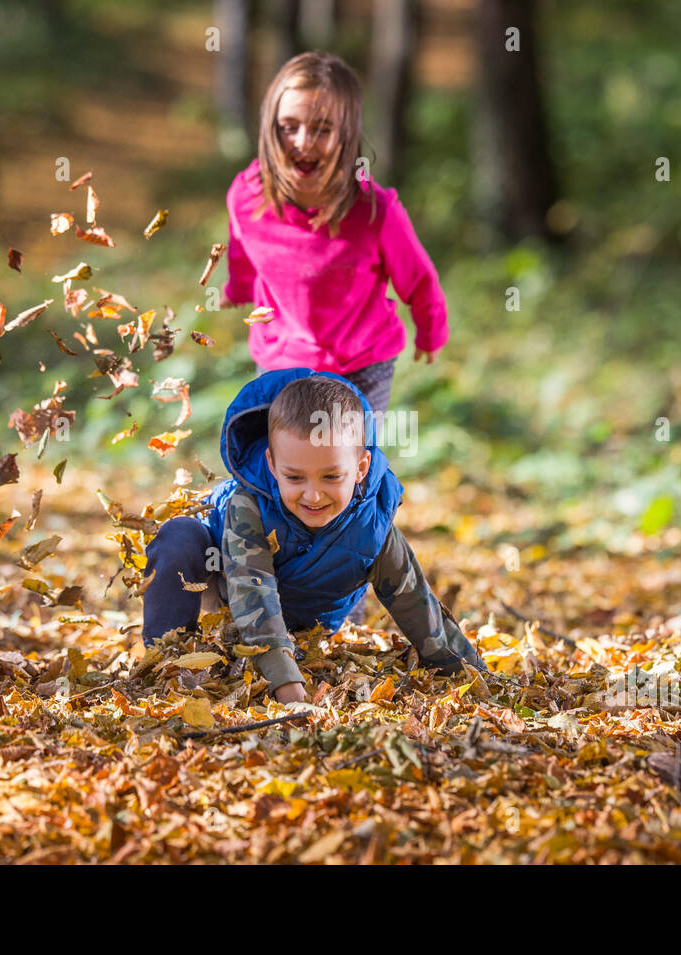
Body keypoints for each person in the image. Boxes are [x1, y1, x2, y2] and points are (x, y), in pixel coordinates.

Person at [218, 51, 452, 622]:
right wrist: (238, 287)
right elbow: (246, 252)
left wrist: (431, 327)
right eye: (289, 126)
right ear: (270, 128)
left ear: (346, 136)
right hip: (283, 366)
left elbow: (417, 276)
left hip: (359, 364)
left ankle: (339, 599)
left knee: (347, 480)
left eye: (321, 128)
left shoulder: (373, 211)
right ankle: (273, 590)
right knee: (281, 479)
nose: (303, 141)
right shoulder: (247, 197)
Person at [140, 369, 486, 704]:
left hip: (307, 622)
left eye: (331, 477)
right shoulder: (248, 505)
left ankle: (283, 650)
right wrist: (285, 681)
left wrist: (468, 671)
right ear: (273, 465)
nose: (313, 496)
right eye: (295, 478)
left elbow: (413, 600)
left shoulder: (373, 522)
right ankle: (167, 659)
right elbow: (252, 591)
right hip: (229, 593)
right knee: (179, 535)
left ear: (361, 468)